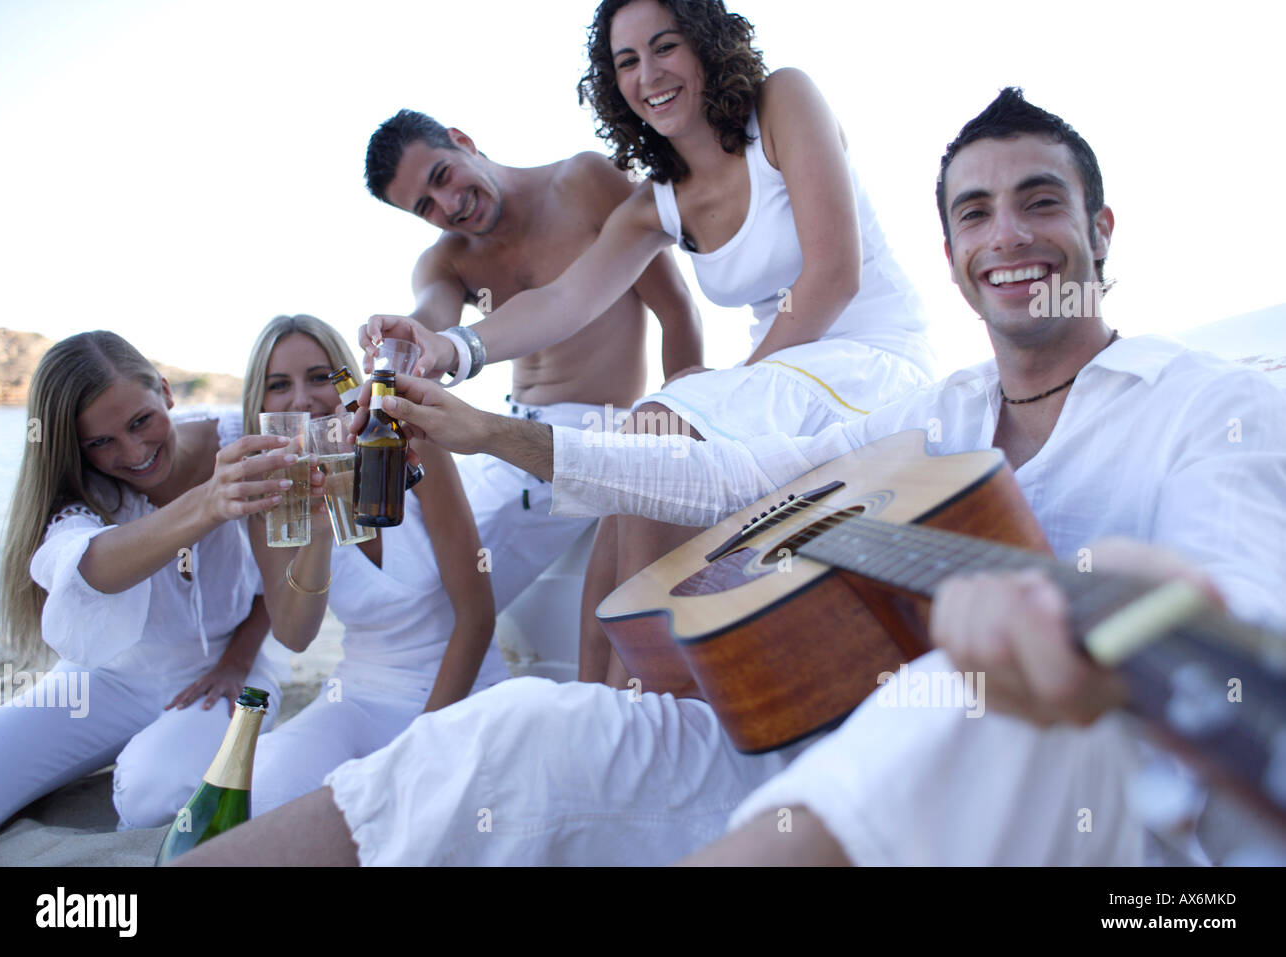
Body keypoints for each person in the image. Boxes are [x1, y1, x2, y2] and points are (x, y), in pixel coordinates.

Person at [174, 88, 1284, 867]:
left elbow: (1248, 608)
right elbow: (733, 476)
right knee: (519, 730)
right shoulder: (932, 419)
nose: (1010, 237)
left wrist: (1158, 606)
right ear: (950, 259)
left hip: (1089, 808)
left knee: (958, 696)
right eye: (974, 214)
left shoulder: (1214, 401)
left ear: (1097, 228)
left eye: (1041, 202)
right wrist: (496, 434)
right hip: (835, 758)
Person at [364, 0, 934, 683]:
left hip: (872, 360)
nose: (648, 74)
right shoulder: (656, 200)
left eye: (664, 47)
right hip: (790, 376)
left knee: (661, 425)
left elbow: (834, 278)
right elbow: (563, 301)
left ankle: (640, 704)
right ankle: (598, 702)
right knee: (629, 482)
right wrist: (448, 347)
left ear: (705, 44)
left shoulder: (783, 102)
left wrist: (724, 397)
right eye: (627, 62)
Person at [361, 106, 701, 667]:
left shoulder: (584, 181)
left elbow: (679, 313)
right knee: (399, 538)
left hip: (589, 433)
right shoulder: (446, 259)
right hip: (506, 433)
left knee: (430, 585)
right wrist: (413, 338)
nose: (448, 206)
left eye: (441, 176)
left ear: (463, 141)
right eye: (424, 207)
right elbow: (433, 318)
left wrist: (673, 442)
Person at [0, 332, 291, 835]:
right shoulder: (80, 498)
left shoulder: (240, 441)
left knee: (150, 790)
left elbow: (276, 579)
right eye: (101, 442)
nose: (133, 451)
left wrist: (237, 661)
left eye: (140, 421)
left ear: (167, 393)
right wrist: (209, 503)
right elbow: (89, 567)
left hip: (226, 672)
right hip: (108, 680)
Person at [238, 315, 506, 816]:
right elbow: (295, 636)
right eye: (279, 385)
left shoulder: (409, 444)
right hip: (360, 694)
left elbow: (477, 616)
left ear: (348, 383)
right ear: (261, 403)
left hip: (460, 692)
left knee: (435, 811)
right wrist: (319, 532)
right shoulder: (275, 494)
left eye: (318, 377)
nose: (302, 399)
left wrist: (421, 743)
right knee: (268, 790)